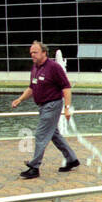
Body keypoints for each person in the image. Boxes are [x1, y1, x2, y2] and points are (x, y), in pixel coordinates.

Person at [12, 39, 79, 179]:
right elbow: (32, 87)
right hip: (43, 106)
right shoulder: (35, 67)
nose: (32, 55)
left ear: (44, 52)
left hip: (52, 105)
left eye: (35, 52)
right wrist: (20, 99)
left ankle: (34, 167)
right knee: (54, 135)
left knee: (41, 134)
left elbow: (66, 88)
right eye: (31, 53)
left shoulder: (54, 67)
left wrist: (67, 108)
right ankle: (72, 159)